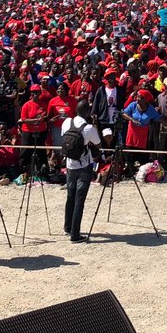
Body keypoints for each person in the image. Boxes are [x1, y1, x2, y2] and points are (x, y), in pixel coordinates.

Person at [61, 100, 101, 243]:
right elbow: (98, 143)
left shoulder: (67, 122)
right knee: (80, 199)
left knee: (70, 196)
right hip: (83, 165)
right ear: (87, 112)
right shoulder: (88, 127)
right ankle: (75, 234)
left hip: (70, 164)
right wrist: (94, 124)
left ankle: (67, 227)